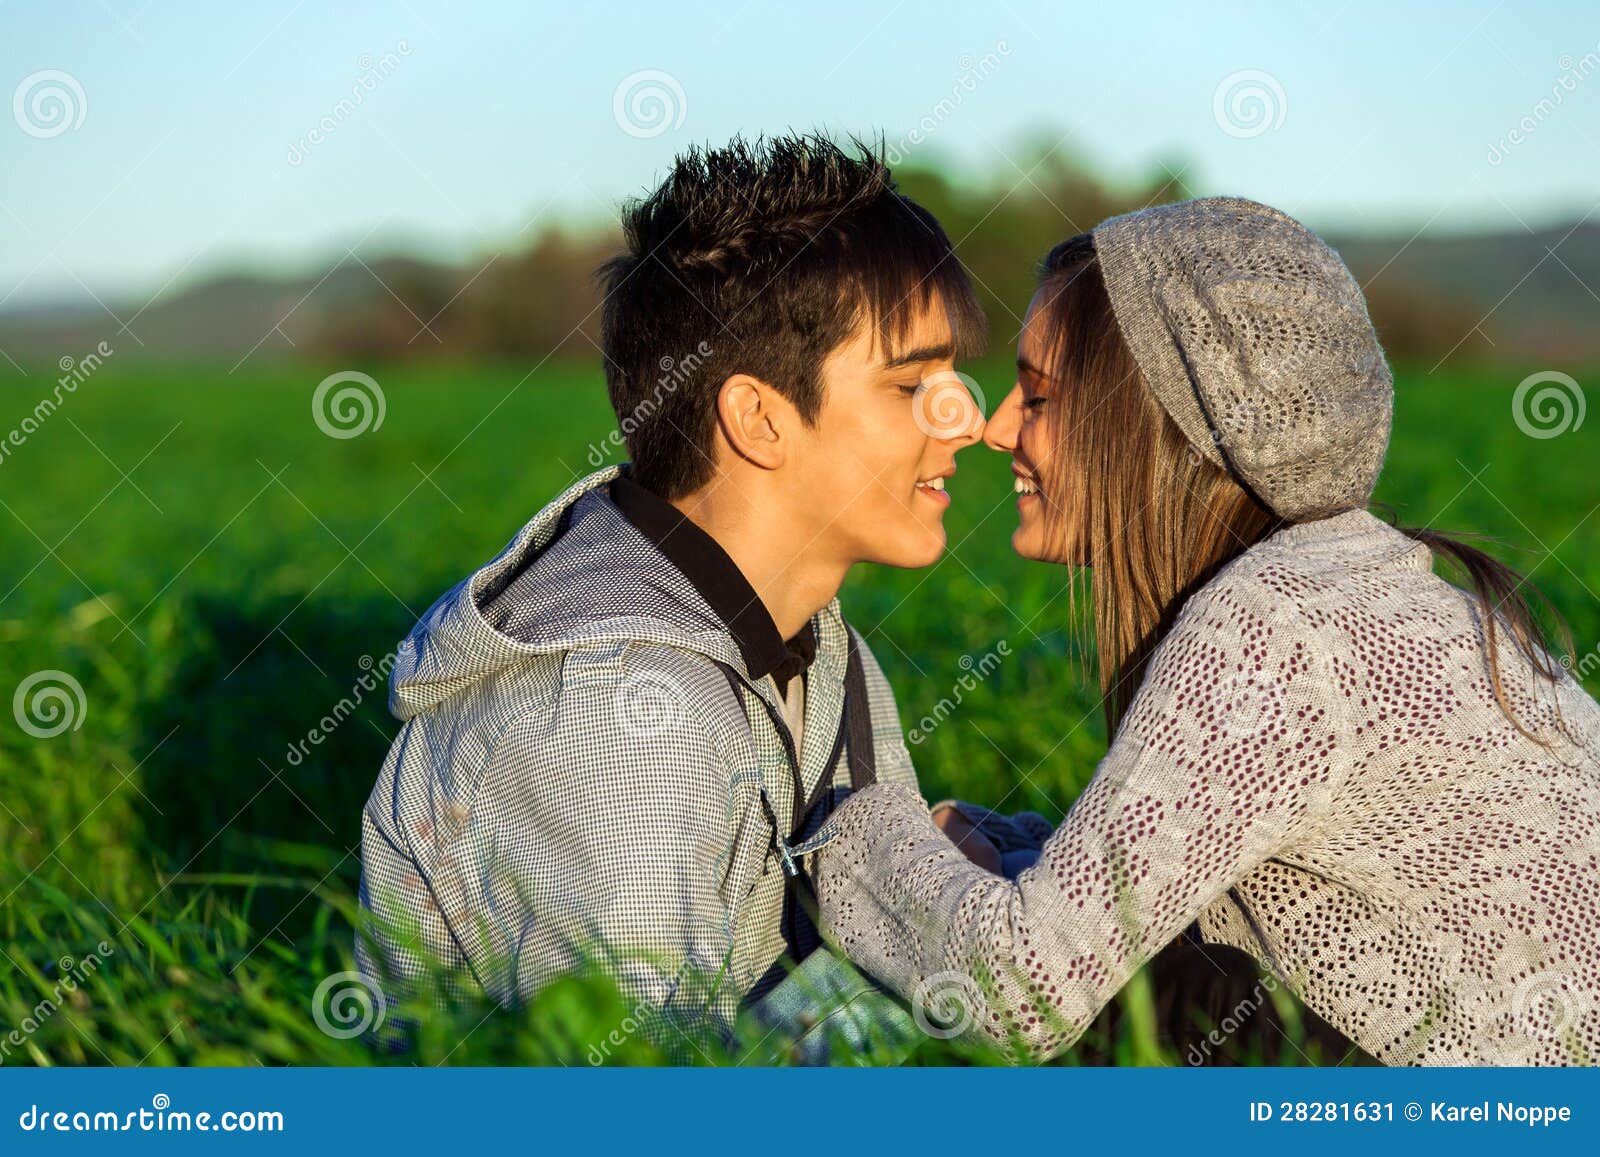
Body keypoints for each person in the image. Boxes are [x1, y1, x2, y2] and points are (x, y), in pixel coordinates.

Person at [812, 196, 1600, 1065]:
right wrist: (1001, 857)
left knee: (1177, 1004)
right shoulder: (1366, 583)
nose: (998, 429)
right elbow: (1226, 879)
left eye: (1037, 396)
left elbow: (1017, 991)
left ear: (1158, 425)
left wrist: (854, 824)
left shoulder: (1277, 628)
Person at [355, 134, 1028, 1052]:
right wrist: (925, 925)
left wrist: (943, 892)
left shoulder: (827, 652)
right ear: (758, 418)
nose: (968, 420)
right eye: (912, 383)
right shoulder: (620, 713)